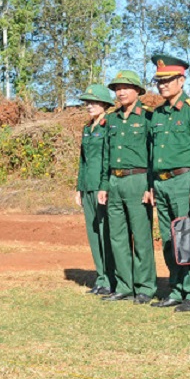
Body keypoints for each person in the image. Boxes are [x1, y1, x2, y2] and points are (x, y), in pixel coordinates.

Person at [146, 55, 190, 312]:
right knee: (169, 239)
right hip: (161, 184)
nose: (163, 85)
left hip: (184, 181)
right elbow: (151, 154)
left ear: (181, 81)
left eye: (168, 80)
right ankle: (176, 288)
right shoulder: (157, 115)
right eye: (159, 81)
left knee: (188, 237)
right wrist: (150, 185)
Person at [97, 71, 157, 304]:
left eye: (125, 88)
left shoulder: (147, 119)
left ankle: (145, 286)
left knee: (141, 237)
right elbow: (105, 155)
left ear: (138, 91)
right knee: (118, 237)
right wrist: (104, 184)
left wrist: (150, 185)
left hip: (138, 179)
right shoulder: (110, 120)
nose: (120, 92)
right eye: (117, 89)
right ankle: (124, 285)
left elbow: (154, 156)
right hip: (115, 181)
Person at [76, 84, 116, 296]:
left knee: (105, 233)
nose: (89, 106)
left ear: (104, 104)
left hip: (102, 188)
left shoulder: (108, 126)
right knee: (93, 234)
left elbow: (108, 161)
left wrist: (105, 186)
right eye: (87, 103)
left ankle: (111, 278)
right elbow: (83, 162)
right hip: (87, 188)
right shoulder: (87, 128)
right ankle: (101, 278)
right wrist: (79, 188)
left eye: (93, 102)